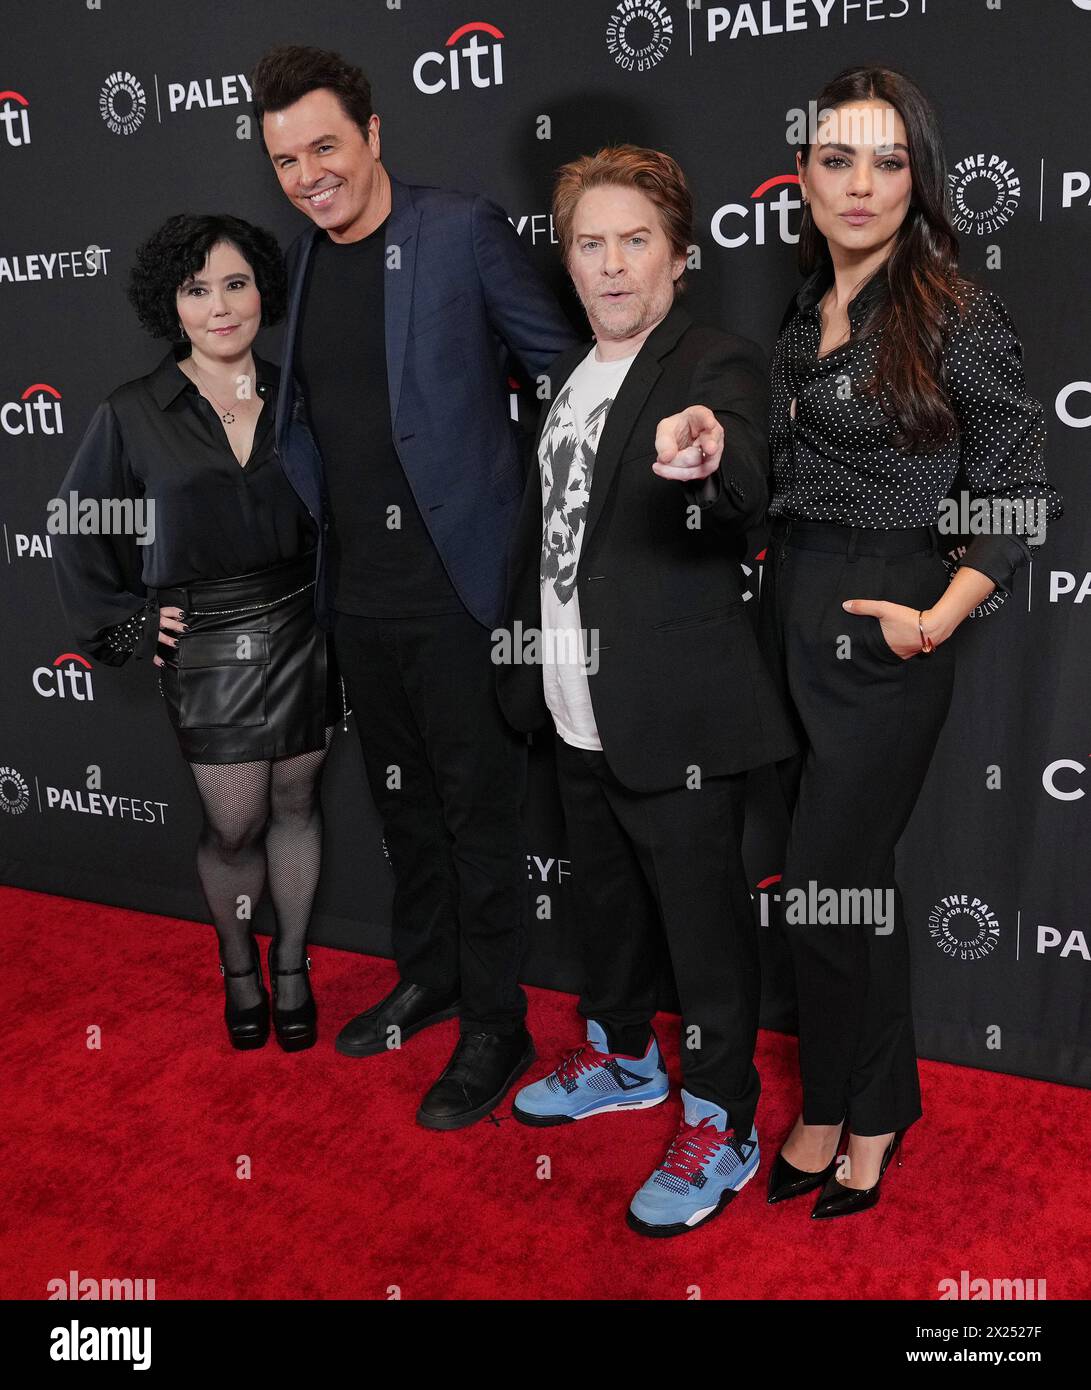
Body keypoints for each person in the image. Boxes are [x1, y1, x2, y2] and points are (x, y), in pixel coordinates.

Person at [662, 65, 1063, 1218]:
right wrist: (710, 454)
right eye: (836, 158)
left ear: (917, 178)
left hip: (883, 614)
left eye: (888, 160)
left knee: (834, 884)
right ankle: (853, 1098)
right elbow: (781, 473)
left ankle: (853, 1108)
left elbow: (1015, 487)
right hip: (786, 600)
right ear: (801, 173)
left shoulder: (951, 312)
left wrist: (937, 613)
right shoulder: (804, 306)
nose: (860, 182)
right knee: (836, 889)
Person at [251, 44, 580, 1127]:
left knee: (482, 821)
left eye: (325, 147)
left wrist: (533, 539)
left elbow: (564, 379)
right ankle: (430, 975)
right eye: (286, 159)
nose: (307, 174)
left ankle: (496, 1020)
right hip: (356, 597)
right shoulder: (298, 261)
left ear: (374, 132)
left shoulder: (458, 232)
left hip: (460, 594)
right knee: (406, 813)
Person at [497, 146, 798, 1236]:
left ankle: (721, 1115)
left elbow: (741, 463)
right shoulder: (569, 377)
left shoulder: (713, 361)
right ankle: (623, 1057)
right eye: (590, 243)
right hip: (579, 709)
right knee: (608, 913)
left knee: (705, 933)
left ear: (679, 256)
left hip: (677, 715)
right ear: (567, 260)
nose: (613, 264)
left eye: (635, 241)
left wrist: (709, 456)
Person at [52, 214, 345, 1054]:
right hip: (207, 640)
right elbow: (77, 523)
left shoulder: (300, 393)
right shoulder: (134, 410)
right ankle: (239, 965)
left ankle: (289, 964)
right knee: (233, 828)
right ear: (170, 305)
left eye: (236, 284)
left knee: (298, 801)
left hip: (302, 623)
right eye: (196, 289)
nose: (220, 307)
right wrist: (130, 621)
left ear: (263, 292)